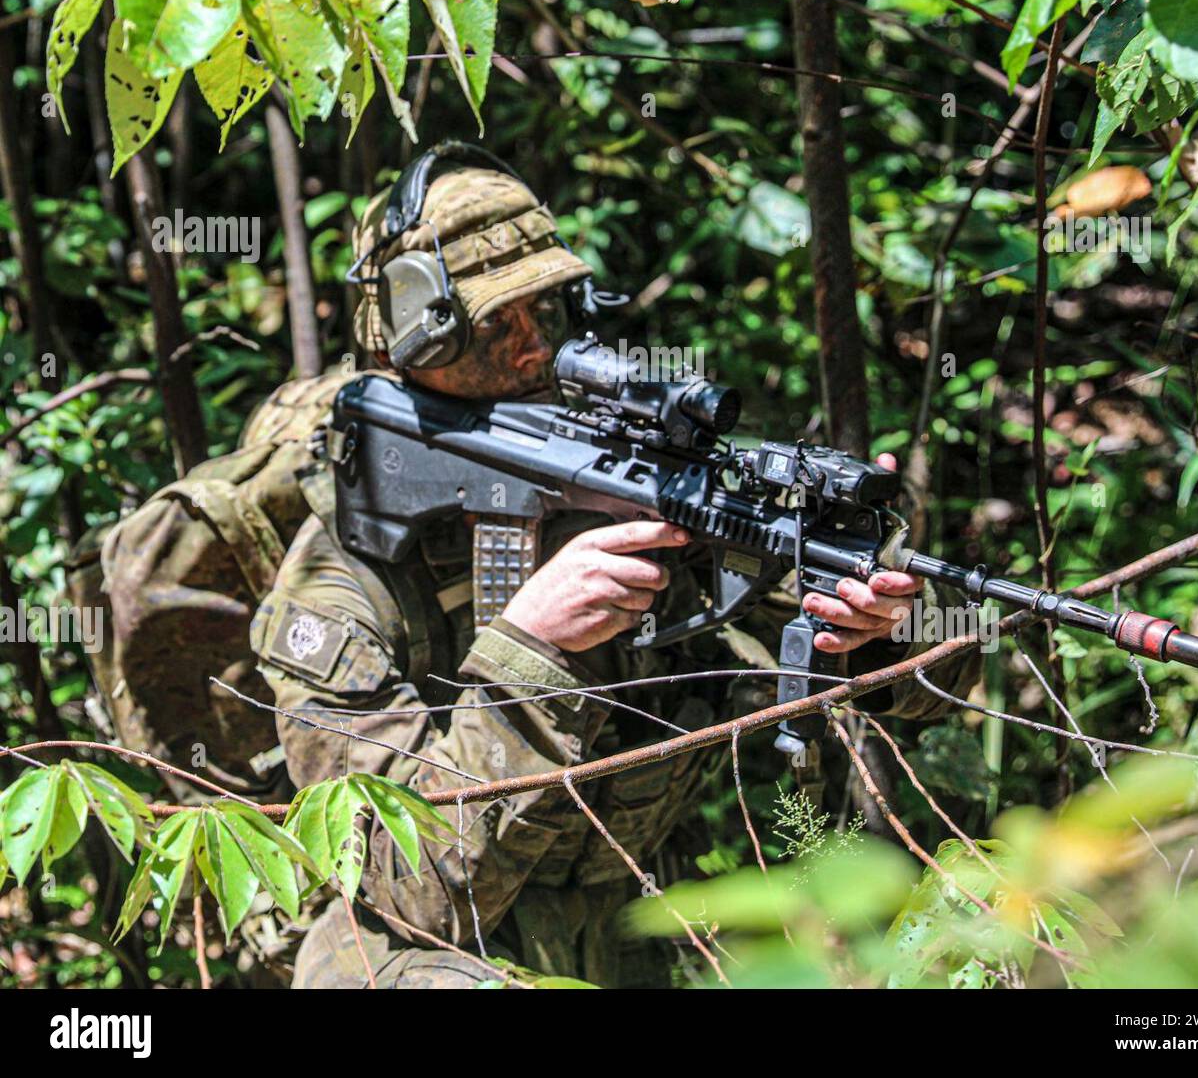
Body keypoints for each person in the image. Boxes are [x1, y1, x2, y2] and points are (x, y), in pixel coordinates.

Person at [249, 145, 980, 988]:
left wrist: (872, 638)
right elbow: (408, 886)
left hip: (640, 920)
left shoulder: (625, 481)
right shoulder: (340, 584)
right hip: (432, 951)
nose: (534, 351)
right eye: (494, 323)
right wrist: (532, 651)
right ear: (416, 337)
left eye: (546, 311)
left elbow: (919, 693)